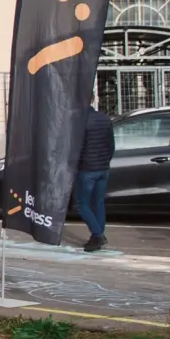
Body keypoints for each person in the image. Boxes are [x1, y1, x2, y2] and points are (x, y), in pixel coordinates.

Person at [74, 100, 114, 252]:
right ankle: (98, 235)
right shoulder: (104, 118)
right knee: (98, 202)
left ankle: (97, 234)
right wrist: (106, 161)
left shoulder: (79, 121)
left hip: (86, 168)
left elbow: (77, 147)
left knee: (81, 204)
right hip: (103, 167)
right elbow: (111, 144)